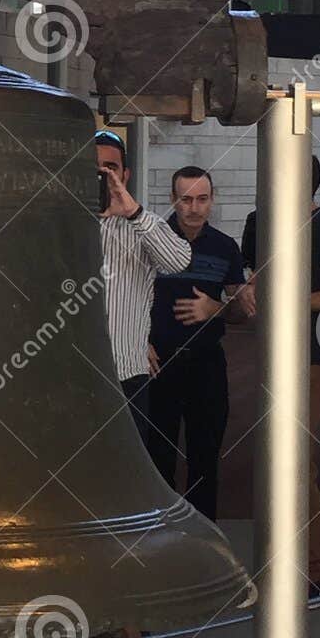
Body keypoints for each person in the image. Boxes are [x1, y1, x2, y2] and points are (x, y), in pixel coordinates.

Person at [243, 157, 320, 607]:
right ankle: (280, 568)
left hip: (310, 358)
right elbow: (253, 283)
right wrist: (249, 294)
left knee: (297, 464)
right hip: (272, 355)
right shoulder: (258, 222)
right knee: (274, 462)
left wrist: (286, 296)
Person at [146, 167, 249, 523]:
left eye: (202, 199)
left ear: (212, 200)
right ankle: (158, 539)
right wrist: (137, 341)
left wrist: (214, 308)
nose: (194, 208)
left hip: (206, 365)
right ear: (173, 200)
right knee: (156, 457)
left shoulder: (225, 247)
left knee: (205, 459)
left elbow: (241, 312)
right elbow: (124, 297)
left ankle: (206, 541)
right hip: (157, 364)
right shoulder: (152, 240)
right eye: (186, 199)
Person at [94, 130, 190, 450]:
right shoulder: (60, 224)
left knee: (129, 477)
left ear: (125, 174)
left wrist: (133, 212)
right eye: (93, 168)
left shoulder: (143, 225)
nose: (103, 175)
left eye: (111, 167)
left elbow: (178, 260)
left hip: (127, 375)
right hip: (73, 378)